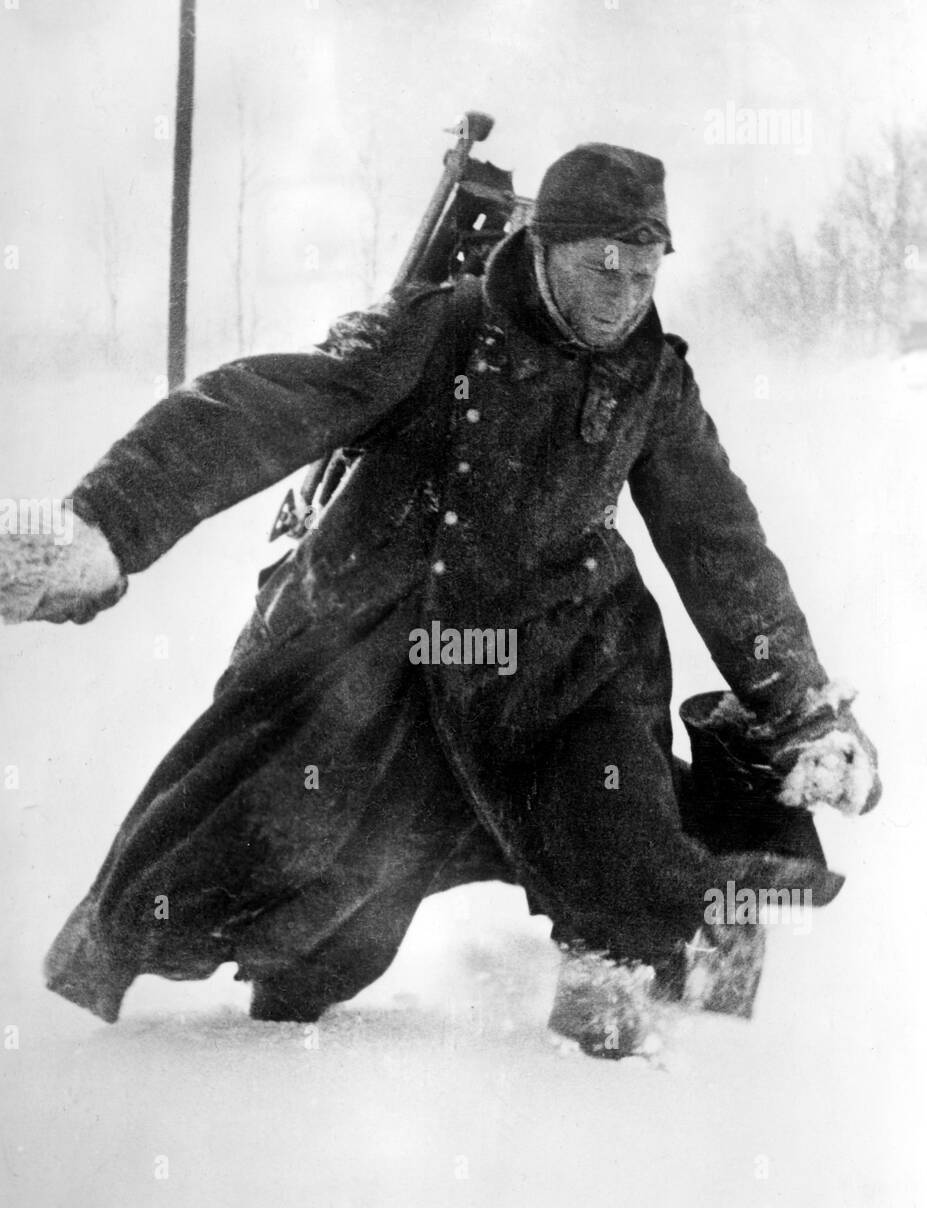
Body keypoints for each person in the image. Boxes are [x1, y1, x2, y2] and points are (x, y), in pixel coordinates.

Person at [0, 144, 880, 1055]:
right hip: (395, 662)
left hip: (568, 663)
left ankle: (617, 1092)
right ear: (541, 247)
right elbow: (255, 406)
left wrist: (803, 710)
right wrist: (103, 525)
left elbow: (720, 545)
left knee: (626, 861)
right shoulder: (437, 331)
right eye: (599, 263)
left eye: (644, 265)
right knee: (304, 925)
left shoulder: (653, 377)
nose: (623, 290)